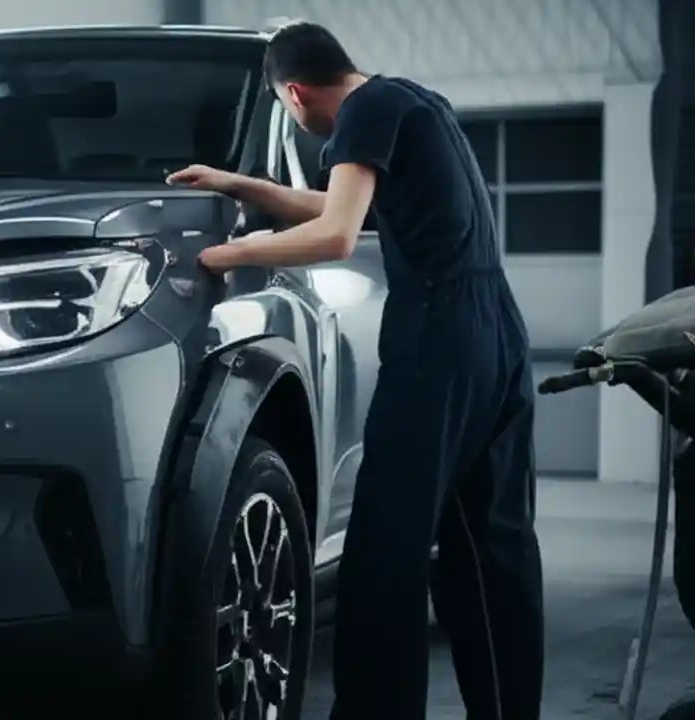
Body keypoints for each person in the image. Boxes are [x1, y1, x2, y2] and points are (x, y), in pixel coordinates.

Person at [168, 22, 545, 720]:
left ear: (296, 92)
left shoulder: (364, 113)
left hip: (436, 336)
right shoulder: (411, 101)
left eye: (290, 112)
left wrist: (224, 257)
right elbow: (346, 206)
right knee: (490, 550)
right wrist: (237, 182)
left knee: (384, 551)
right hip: (496, 331)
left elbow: (337, 234)